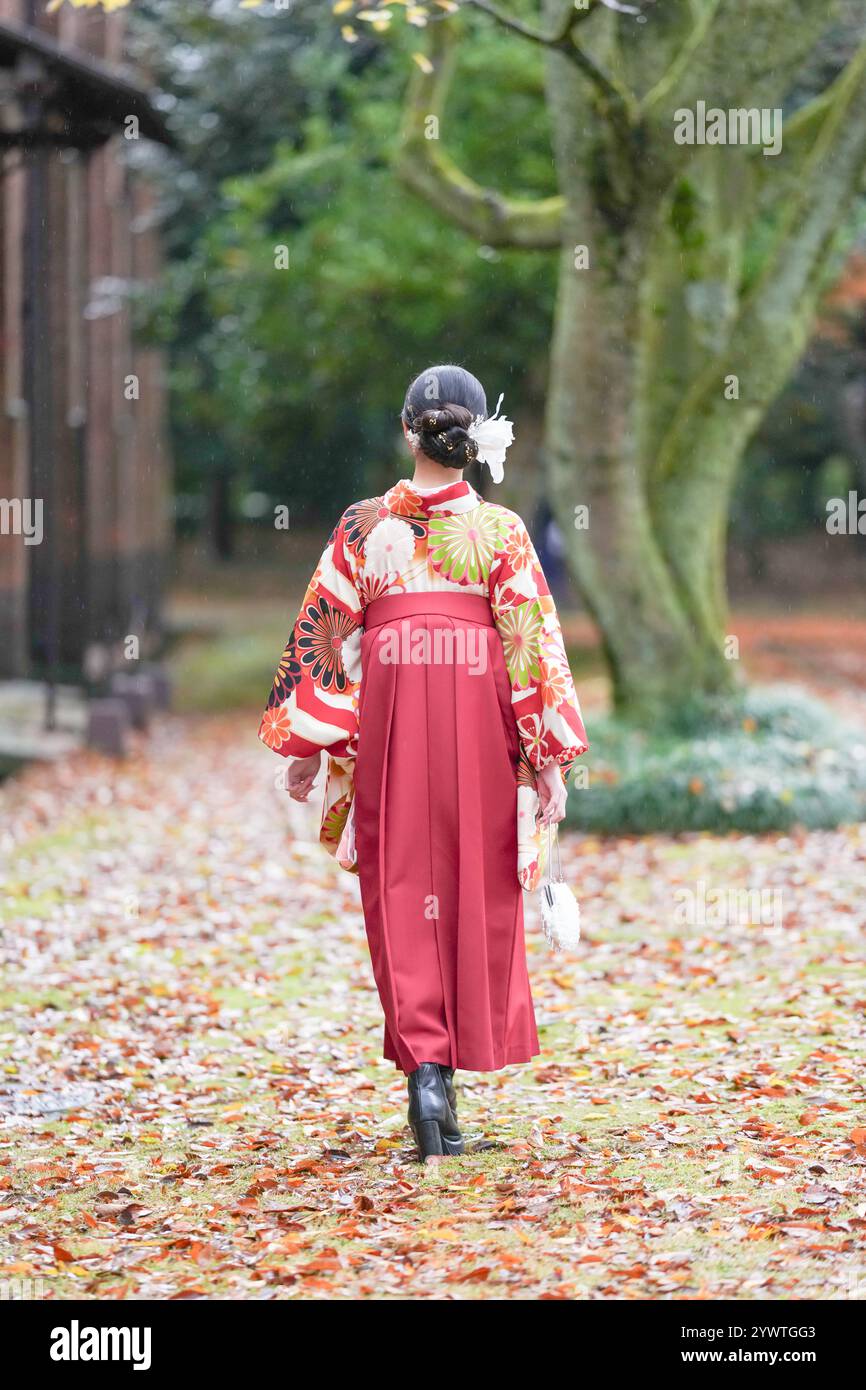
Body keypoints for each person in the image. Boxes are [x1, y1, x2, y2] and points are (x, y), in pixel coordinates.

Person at [258, 365, 588, 1162]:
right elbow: (529, 643)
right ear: (475, 439)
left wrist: (308, 743)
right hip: (479, 707)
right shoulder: (503, 532)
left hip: (396, 709)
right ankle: (452, 1077)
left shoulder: (364, 525)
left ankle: (426, 1077)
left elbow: (327, 632)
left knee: (401, 884)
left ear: (409, 432)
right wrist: (547, 757)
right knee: (478, 881)